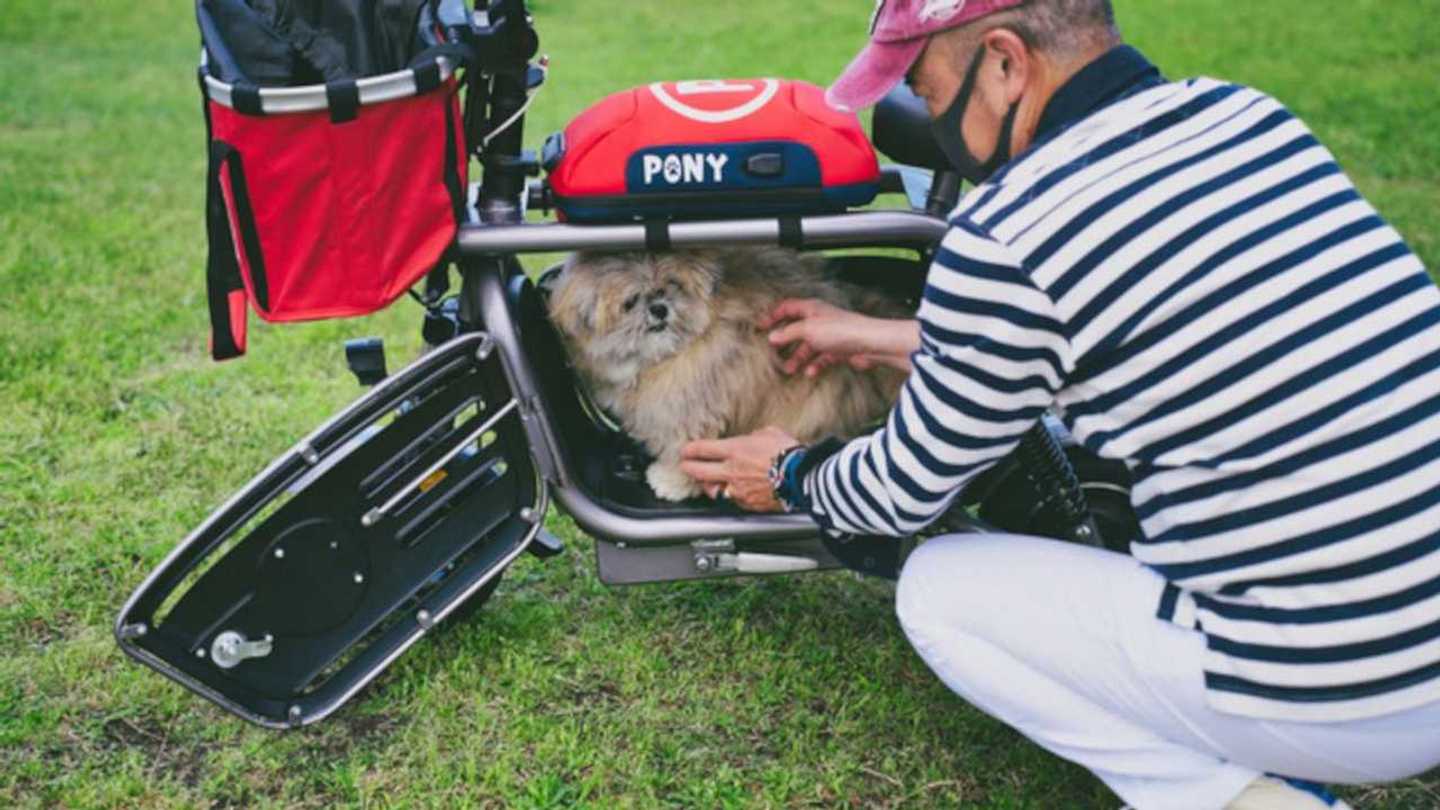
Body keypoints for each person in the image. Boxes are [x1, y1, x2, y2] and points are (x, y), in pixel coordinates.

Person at [678, 1, 1440, 808]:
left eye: (929, 93)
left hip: (1351, 699)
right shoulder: (1245, 117)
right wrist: (888, 335)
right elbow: (1134, 322)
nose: (930, 118)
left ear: (1004, 64)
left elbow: (902, 492)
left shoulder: (1008, 235)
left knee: (940, 591)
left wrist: (792, 471)